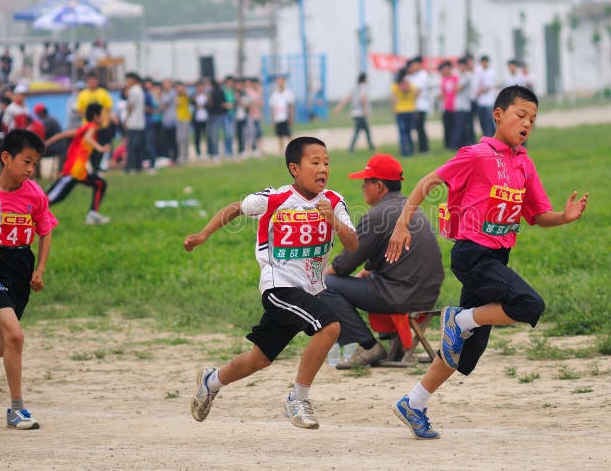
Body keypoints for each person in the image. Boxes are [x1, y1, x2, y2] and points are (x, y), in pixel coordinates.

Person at [385, 86, 589, 439]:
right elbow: (427, 182)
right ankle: (459, 319)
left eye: (533, 119)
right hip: (472, 254)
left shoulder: (524, 164)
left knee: (463, 350)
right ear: (498, 115)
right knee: (529, 304)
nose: (527, 124)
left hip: (497, 257)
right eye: (520, 115)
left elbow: (538, 216)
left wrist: (564, 217)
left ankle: (413, 403)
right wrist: (402, 224)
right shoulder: (476, 155)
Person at [184, 136, 359, 429]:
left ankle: (210, 381)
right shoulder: (275, 199)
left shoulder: (334, 202)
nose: (323, 169)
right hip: (279, 286)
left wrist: (334, 222)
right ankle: (297, 398)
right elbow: (235, 208)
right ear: (294, 168)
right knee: (330, 326)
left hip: (309, 291)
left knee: (259, 359)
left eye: (326, 163)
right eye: (315, 162)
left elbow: (353, 244)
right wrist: (203, 235)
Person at [321, 153, 443, 369]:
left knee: (325, 285)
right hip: (427, 294)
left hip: (402, 295)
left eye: (365, 182)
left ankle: (369, 346)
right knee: (365, 278)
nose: (362, 187)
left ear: (379, 186)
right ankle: (392, 341)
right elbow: (385, 259)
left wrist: (319, 279)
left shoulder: (378, 215)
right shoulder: (409, 208)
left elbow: (345, 265)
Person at [0, 129, 57, 430]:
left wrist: (40, 269)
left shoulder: (34, 194)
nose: (31, 169)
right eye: (26, 161)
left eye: (35, 164)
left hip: (21, 266)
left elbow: (45, 230)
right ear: (6, 157)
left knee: (0, 345)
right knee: (16, 337)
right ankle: (16, 409)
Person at [45, 103, 111, 225]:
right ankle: (25, 213)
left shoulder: (84, 128)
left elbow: (60, 135)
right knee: (51, 198)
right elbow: (88, 139)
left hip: (78, 170)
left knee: (100, 183)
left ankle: (93, 214)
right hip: (73, 170)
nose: (103, 117)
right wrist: (100, 148)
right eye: (102, 114)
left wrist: (46, 143)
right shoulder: (92, 127)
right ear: (95, 116)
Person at [75, 71, 114, 173]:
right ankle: (92, 167)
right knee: (90, 148)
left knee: (102, 146)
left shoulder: (103, 93)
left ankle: (100, 166)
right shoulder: (83, 94)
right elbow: (79, 110)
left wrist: (106, 121)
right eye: (90, 81)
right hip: (88, 126)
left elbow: (108, 109)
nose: (92, 83)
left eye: (94, 80)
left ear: (97, 81)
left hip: (102, 127)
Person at [334, 72, 374, 153]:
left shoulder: (354, 88)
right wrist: (365, 110)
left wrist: (339, 106)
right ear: (364, 79)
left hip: (354, 113)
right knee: (359, 131)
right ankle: (351, 149)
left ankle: (371, 147)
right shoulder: (363, 87)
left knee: (365, 130)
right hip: (361, 113)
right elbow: (362, 99)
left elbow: (347, 98)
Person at [408, 57, 431, 153]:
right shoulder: (414, 75)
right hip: (414, 106)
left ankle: (424, 148)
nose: (413, 67)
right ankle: (420, 148)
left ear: (419, 64)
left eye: (415, 64)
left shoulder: (423, 75)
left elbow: (417, 91)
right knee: (417, 127)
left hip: (421, 105)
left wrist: (409, 96)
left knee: (420, 127)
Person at [123, 72, 145, 173]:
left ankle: (130, 166)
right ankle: (138, 166)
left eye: (128, 80)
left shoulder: (133, 91)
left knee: (131, 146)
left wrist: (126, 119)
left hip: (133, 122)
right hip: (140, 122)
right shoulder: (140, 90)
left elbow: (131, 107)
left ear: (133, 80)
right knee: (138, 146)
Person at [33, 104, 62, 180]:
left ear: (41, 113)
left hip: (54, 147)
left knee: (34, 152)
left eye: (37, 114)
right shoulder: (51, 119)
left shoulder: (46, 121)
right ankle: (37, 175)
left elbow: (41, 137)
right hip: (58, 147)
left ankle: (37, 175)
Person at [392, 68, 416, 157]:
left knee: (402, 132)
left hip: (400, 110)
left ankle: (404, 151)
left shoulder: (395, 85)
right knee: (409, 131)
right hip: (410, 109)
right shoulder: (410, 84)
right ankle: (411, 150)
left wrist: (394, 109)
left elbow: (394, 99)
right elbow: (415, 95)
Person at [269, 75, 295, 154]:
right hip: (278, 118)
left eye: (281, 81)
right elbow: (272, 109)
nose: (280, 83)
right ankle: (281, 151)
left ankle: (293, 150)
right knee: (279, 136)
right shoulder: (274, 95)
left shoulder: (288, 93)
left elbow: (291, 107)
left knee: (288, 135)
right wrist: (273, 120)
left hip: (286, 117)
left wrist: (291, 117)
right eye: (279, 82)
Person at [474, 55, 497, 137]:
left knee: (489, 120)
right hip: (480, 101)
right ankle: (485, 137)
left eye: (485, 62)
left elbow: (489, 86)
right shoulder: (478, 72)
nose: (484, 63)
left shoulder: (491, 72)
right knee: (482, 121)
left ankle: (492, 137)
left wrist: (480, 91)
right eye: (483, 62)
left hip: (489, 101)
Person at [438, 60, 458, 149]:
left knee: (454, 126)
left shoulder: (455, 78)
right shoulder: (443, 80)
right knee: (447, 126)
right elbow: (442, 93)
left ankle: (454, 143)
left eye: (447, 68)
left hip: (455, 106)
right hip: (446, 106)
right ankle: (447, 144)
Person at [174, 81, 192, 165]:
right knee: (179, 138)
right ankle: (180, 154)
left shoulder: (185, 95)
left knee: (184, 138)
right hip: (177, 118)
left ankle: (185, 155)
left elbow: (188, 98)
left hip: (185, 118)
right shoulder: (175, 96)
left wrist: (183, 91)